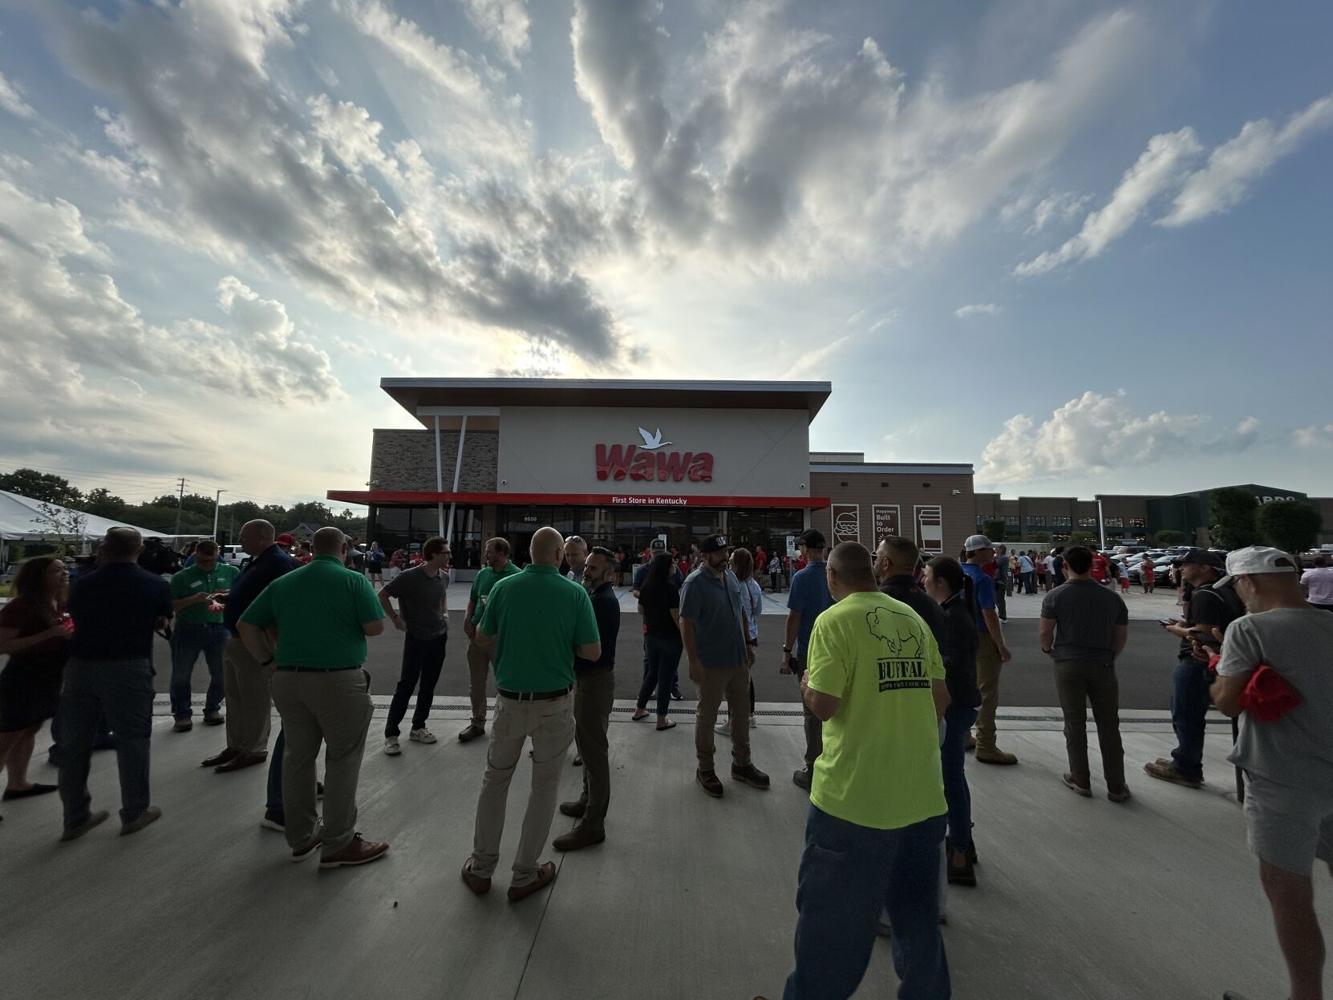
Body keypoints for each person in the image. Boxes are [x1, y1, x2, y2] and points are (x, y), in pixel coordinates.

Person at [759, 542, 951, 1000]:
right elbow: (940, 700)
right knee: (917, 920)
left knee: (831, 931)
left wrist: (807, 686)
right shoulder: (912, 618)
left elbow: (826, 705)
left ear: (831, 575)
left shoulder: (834, 619)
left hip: (855, 800)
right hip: (923, 798)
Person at [1207, 546, 1333, 1000]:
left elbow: (1226, 700)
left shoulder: (1248, 628)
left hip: (1283, 778)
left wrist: (1220, 673)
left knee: (1289, 891)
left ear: (1248, 582)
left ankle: (1306, 995)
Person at [460, 527, 600, 902]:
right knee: (544, 787)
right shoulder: (574, 593)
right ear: (558, 555)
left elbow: (483, 639)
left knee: (495, 781)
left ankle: (481, 866)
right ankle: (524, 872)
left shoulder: (505, 588)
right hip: (554, 704)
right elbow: (592, 652)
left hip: (510, 699)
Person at [238, 526, 389, 869]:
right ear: (344, 548)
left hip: (288, 679)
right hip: (338, 680)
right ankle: (339, 842)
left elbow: (247, 624)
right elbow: (375, 627)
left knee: (298, 757)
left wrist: (267, 660)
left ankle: (302, 835)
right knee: (343, 759)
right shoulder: (353, 581)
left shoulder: (286, 582)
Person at [58, 528, 172, 840]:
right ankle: (134, 811)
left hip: (81, 665)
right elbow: (161, 620)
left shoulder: (83, 583)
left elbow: (75, 615)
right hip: (128, 665)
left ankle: (74, 817)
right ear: (139, 549)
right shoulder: (154, 584)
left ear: (105, 549)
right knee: (132, 739)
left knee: (75, 744)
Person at [1144, 548, 1244, 789]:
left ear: (1205, 567)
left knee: (1186, 714)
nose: (1181, 568)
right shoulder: (1225, 591)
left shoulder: (1204, 595)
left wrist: (1178, 630)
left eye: (1187, 564)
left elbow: (1204, 631)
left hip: (1197, 661)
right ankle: (1185, 761)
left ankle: (1186, 767)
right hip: (1218, 659)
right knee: (1190, 714)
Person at [1038, 546, 1131, 801]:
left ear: (1065, 566)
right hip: (1102, 663)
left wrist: (1048, 650)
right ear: (1092, 565)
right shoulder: (1112, 598)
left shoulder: (1055, 596)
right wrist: (1110, 655)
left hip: (1068, 663)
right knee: (1109, 724)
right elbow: (1120, 635)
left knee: (1074, 722)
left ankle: (1081, 778)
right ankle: (1116, 785)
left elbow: (1046, 632)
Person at [680, 534, 768, 798]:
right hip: (711, 664)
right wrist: (693, 661)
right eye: (718, 554)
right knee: (707, 717)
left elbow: (740, 609)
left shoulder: (730, 577)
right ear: (705, 557)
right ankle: (705, 768)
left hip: (738, 660)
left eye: (725, 551)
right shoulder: (694, 584)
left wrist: (748, 643)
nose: (724, 557)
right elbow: (687, 623)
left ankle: (742, 764)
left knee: (740, 715)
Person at [206, 520, 296, 773]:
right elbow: (252, 594)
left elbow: (281, 603)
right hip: (235, 636)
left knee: (254, 697)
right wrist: (230, 597)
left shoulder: (277, 563)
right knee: (235, 697)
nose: (241, 541)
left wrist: (271, 640)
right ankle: (236, 744)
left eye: (244, 536)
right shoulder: (257, 562)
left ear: (261, 537)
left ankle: (254, 748)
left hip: (253, 640)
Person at [922, 555, 983, 886]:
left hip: (953, 707)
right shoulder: (954, 613)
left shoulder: (951, 619)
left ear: (941, 582)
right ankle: (962, 839)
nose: (923, 580)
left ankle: (959, 847)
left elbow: (950, 672)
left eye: (927, 575)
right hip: (960, 705)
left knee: (949, 776)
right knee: (952, 775)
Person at [556, 546, 620, 851]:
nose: (586, 571)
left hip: (594, 682)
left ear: (609, 574)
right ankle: (586, 799)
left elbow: (589, 649)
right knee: (587, 743)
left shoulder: (602, 602)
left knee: (594, 752)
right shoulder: (595, 597)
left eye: (594, 569)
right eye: (588, 565)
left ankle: (593, 824)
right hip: (590, 680)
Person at [0, 556, 70, 809]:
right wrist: (48, 634)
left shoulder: (58, 603)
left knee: (29, 729)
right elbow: (3, 645)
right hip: (23, 676)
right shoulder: (21, 606)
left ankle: (18, 782)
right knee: (8, 734)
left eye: (64, 569)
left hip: (48, 676)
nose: (64, 574)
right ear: (38, 576)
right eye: (56, 571)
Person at [378, 536, 450, 756]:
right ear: (433, 554)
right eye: (445, 552)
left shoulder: (443, 577)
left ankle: (418, 726)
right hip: (416, 637)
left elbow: (442, 596)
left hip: (439, 637)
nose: (448, 555)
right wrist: (395, 618)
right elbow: (383, 595)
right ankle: (391, 734)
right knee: (407, 684)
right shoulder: (409, 577)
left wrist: (445, 614)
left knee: (428, 684)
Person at [167, 539, 237, 733]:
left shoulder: (231, 572)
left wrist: (228, 595)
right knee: (181, 674)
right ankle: (182, 714)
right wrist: (193, 599)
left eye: (212, 560)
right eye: (203, 561)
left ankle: (212, 708)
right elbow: (171, 606)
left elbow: (241, 597)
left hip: (219, 628)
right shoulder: (182, 577)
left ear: (218, 555)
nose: (208, 565)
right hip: (189, 628)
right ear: (195, 555)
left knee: (222, 673)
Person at [784, 528, 834, 790]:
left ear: (804, 548)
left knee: (813, 712)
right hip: (839, 651)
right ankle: (836, 762)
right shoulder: (836, 575)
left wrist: (786, 651)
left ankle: (814, 767)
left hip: (811, 652)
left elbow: (795, 617)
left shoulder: (802, 577)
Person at [962, 534, 1017, 765]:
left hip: (961, 636)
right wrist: (1001, 645)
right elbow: (988, 613)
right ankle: (986, 744)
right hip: (982, 637)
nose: (993, 553)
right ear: (978, 552)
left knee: (965, 688)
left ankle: (964, 735)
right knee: (987, 692)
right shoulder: (982, 579)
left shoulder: (957, 573)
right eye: (988, 550)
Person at [460, 537, 521, 743]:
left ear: (502, 553)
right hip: (477, 636)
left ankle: (507, 723)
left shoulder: (516, 576)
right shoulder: (483, 573)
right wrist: (468, 618)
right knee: (476, 683)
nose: (485, 554)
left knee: (506, 682)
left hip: (501, 640)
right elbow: (473, 599)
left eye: (489, 551)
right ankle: (477, 722)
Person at [633, 551, 684, 729]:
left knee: (652, 674)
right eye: (673, 564)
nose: (675, 566)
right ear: (666, 567)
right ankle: (661, 718)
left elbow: (641, 611)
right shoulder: (670, 589)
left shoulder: (646, 587)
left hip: (651, 637)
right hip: (670, 638)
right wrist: (687, 637)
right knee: (666, 678)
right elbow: (676, 618)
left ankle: (640, 709)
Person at [716, 546, 762, 737]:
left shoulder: (732, 584)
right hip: (752, 634)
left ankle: (733, 720)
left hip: (737, 636)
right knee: (746, 678)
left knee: (733, 681)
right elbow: (757, 611)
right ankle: (750, 715)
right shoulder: (754, 585)